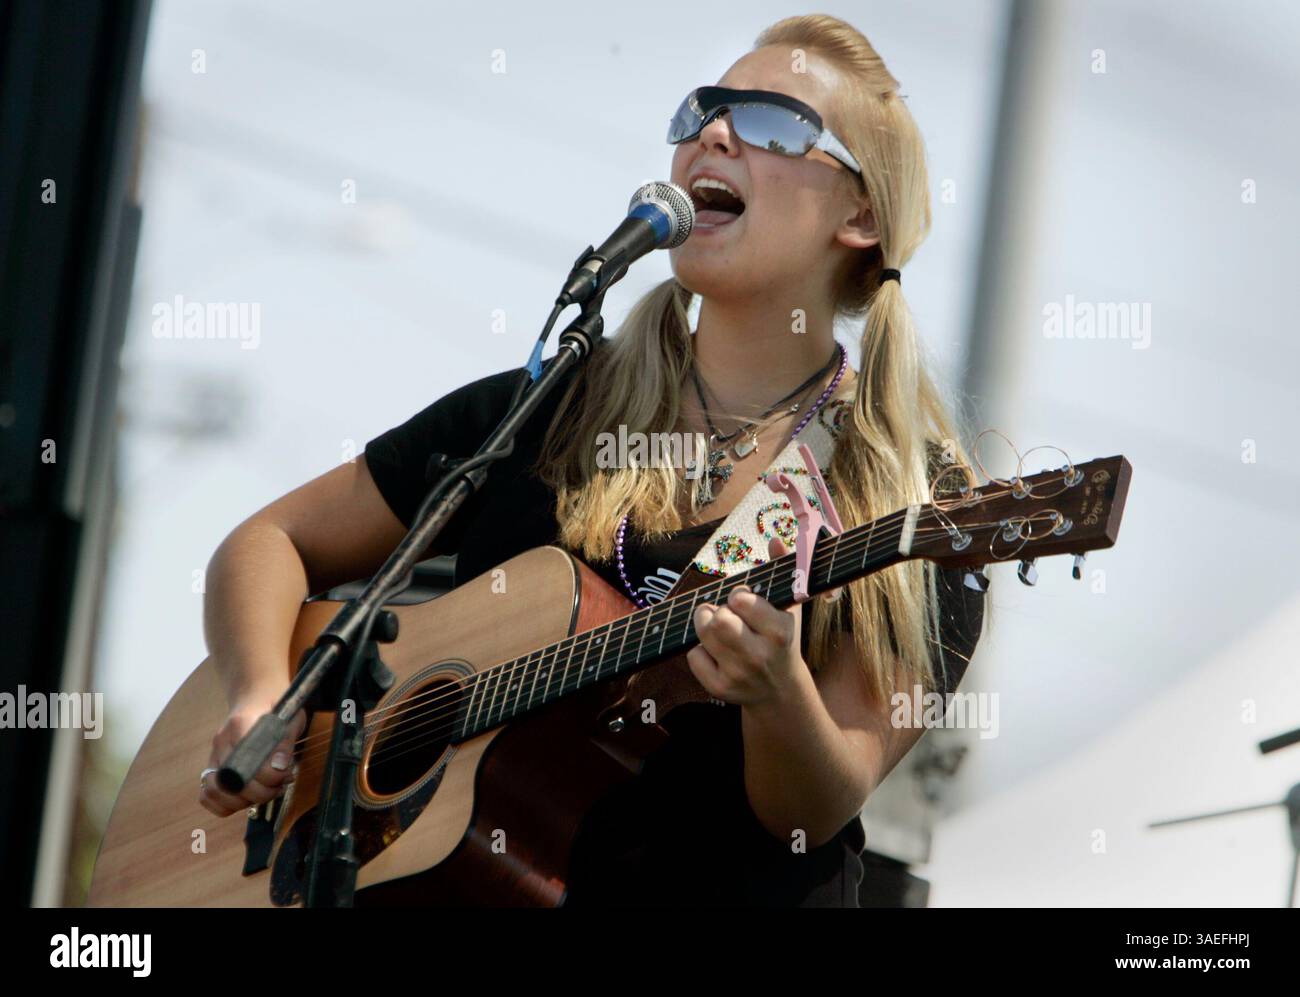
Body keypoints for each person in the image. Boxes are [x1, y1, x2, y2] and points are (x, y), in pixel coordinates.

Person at [198, 13, 986, 908]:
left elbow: (815, 802)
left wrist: (778, 697)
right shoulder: (549, 408)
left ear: (863, 214)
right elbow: (268, 539)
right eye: (704, 111)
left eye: (773, 123)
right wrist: (261, 687)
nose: (714, 133)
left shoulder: (913, 499)